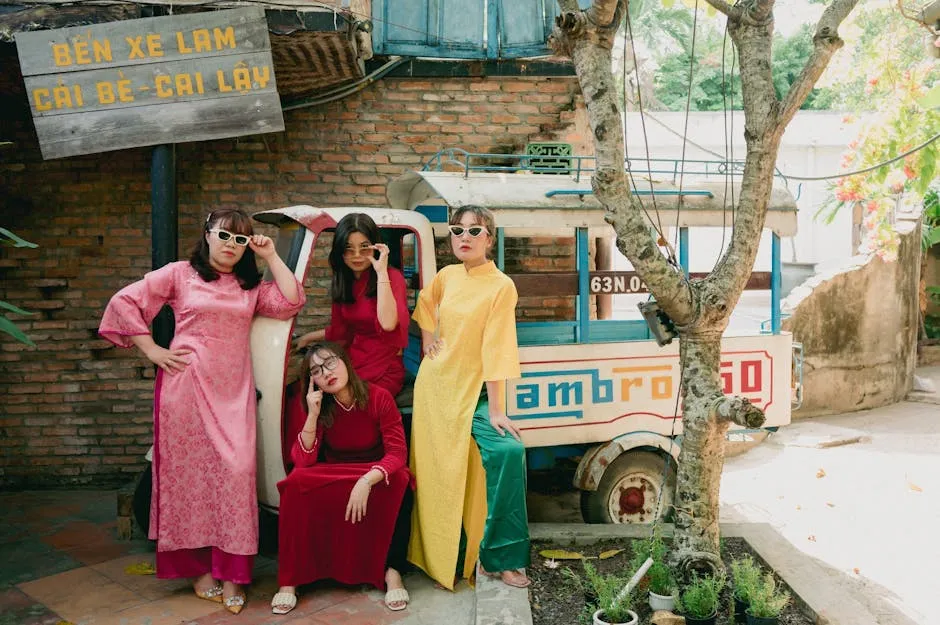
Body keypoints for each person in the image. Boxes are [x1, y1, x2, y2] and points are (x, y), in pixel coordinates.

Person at [99, 209, 304, 614]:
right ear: (207, 235)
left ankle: (233, 573)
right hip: (186, 389)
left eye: (240, 239)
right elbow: (124, 301)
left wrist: (272, 258)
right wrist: (152, 349)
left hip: (233, 394)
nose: (231, 244)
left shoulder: (250, 286)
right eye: (224, 235)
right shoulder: (178, 274)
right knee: (188, 481)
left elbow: (292, 300)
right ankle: (199, 571)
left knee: (236, 473)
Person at [407, 205, 530, 590]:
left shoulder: (500, 286)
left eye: (474, 231)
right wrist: (430, 343)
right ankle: (438, 556)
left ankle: (501, 558)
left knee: (507, 453)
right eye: (457, 230)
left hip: (474, 393)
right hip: (435, 390)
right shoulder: (446, 276)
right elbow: (426, 305)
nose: (463, 237)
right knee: (438, 473)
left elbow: (497, 347)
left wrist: (496, 409)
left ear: (489, 239)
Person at [272, 343, 412, 615]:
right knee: (294, 483)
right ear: (313, 381)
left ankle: (391, 572)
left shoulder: (378, 396)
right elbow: (302, 460)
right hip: (334, 470)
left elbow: (397, 453)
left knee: (400, 480)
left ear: (345, 361)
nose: (327, 373)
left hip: (372, 470)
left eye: (330, 363)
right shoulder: (319, 405)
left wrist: (367, 480)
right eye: (317, 370)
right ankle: (289, 581)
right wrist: (312, 415)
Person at [294, 213, 410, 396]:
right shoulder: (344, 280)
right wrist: (307, 338)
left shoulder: (391, 277)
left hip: (385, 367)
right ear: (340, 251)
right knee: (305, 392)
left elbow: (388, 324)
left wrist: (381, 274)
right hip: (355, 359)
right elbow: (341, 331)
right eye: (349, 248)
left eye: (364, 248)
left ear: (375, 247)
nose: (356, 256)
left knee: (345, 401)